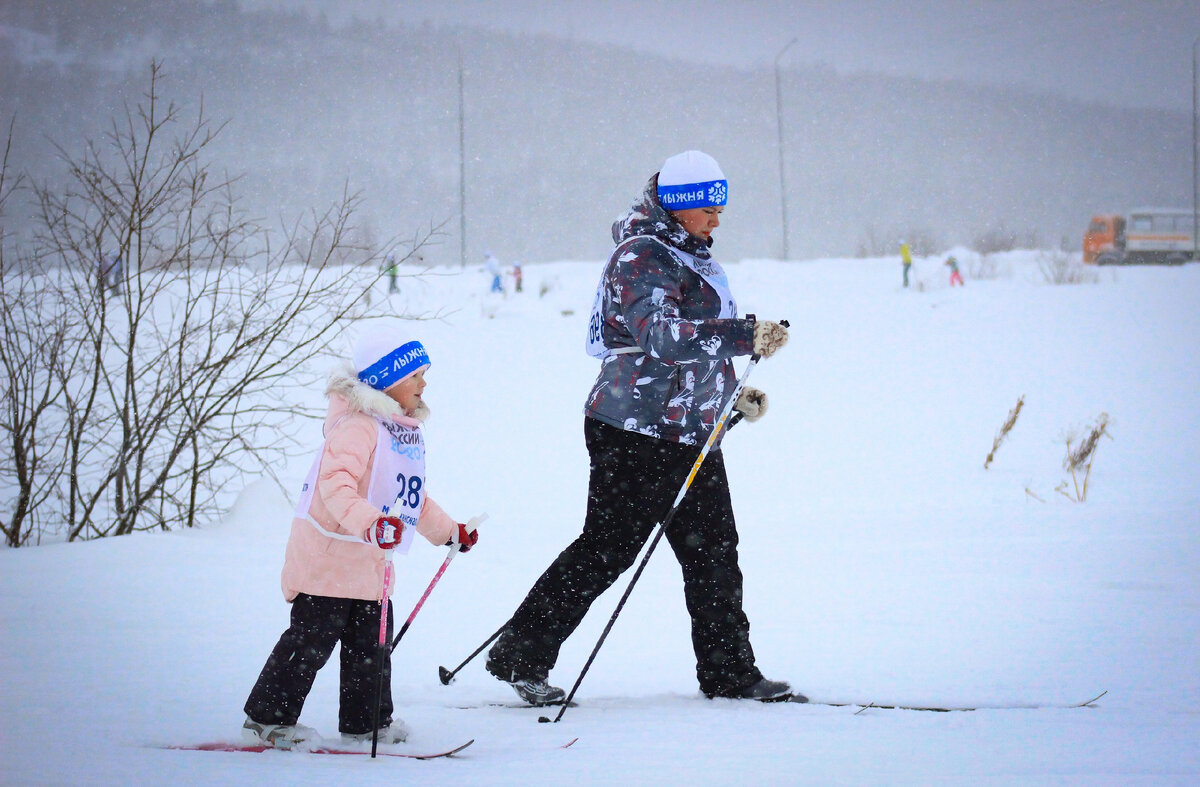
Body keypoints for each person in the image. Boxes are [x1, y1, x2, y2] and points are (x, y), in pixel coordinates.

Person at [484, 150, 802, 706]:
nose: (717, 220)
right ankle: (521, 654)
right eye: (708, 209)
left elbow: (691, 346)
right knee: (609, 547)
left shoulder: (692, 256)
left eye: (720, 208)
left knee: (714, 552)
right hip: (631, 429)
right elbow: (662, 336)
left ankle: (730, 673)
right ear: (679, 206)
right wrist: (743, 335)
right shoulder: (641, 257)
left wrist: (729, 393)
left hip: (687, 431)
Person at [243, 328, 481, 748]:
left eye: (424, 374)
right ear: (387, 380)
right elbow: (335, 484)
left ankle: (366, 724)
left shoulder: (398, 432)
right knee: (311, 642)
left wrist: (449, 533)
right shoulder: (358, 426)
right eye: (415, 376)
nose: (424, 384)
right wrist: (371, 523)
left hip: (370, 566)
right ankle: (268, 720)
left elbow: (411, 499)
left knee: (372, 648)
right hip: (328, 561)